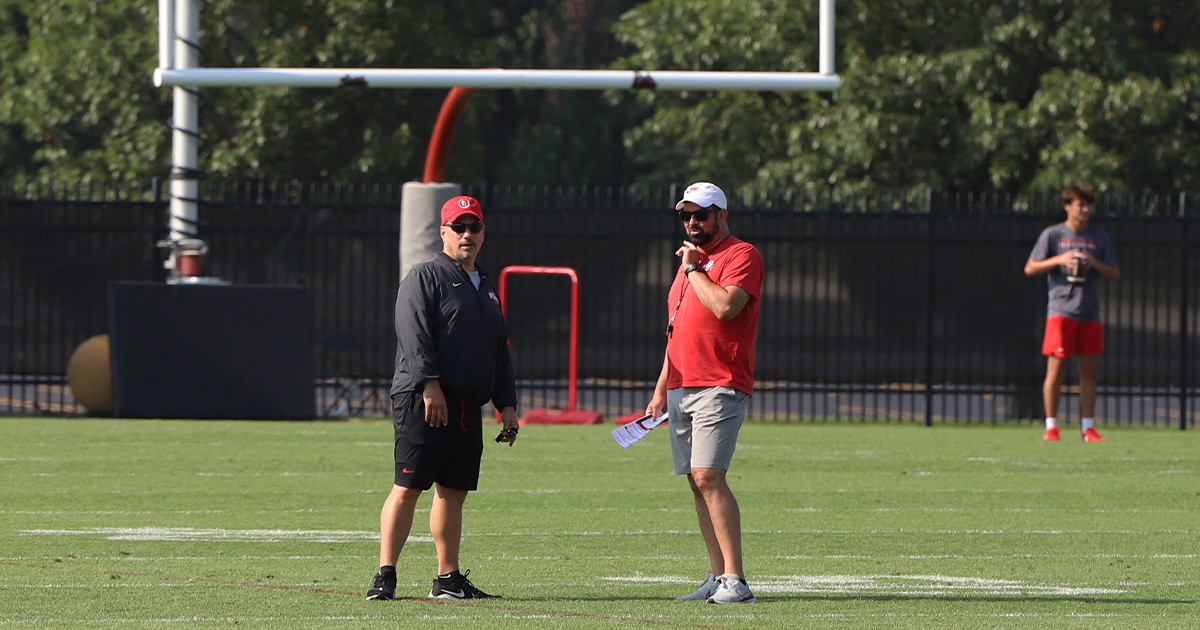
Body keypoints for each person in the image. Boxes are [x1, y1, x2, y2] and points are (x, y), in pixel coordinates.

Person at [366, 195, 521, 601]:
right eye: (459, 227)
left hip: (468, 403)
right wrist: (429, 384)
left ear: (484, 233)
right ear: (443, 232)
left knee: (453, 491)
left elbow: (498, 349)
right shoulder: (425, 276)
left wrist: (507, 403)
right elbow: (413, 332)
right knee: (408, 485)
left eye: (474, 227)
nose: (467, 234)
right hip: (424, 398)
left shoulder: (486, 287)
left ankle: (447, 579)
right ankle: (385, 575)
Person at [646, 182, 764, 604]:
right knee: (696, 483)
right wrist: (661, 389)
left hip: (720, 381)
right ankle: (718, 577)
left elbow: (725, 307)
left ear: (722, 215)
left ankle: (737, 580)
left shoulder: (741, 255)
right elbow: (675, 329)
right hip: (682, 384)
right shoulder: (689, 263)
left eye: (701, 214)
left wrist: (696, 269)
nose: (693, 222)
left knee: (710, 477)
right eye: (687, 215)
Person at [1024, 185, 1120, 442]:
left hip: (1089, 312)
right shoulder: (1053, 235)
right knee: (1055, 370)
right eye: (1080, 205)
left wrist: (1093, 262)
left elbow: (1115, 272)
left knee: (1088, 371)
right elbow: (1031, 267)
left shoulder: (1099, 237)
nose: (1085, 210)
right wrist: (1060, 259)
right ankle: (1051, 426)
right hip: (1061, 311)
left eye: (1088, 205)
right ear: (1068, 206)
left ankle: (1088, 427)